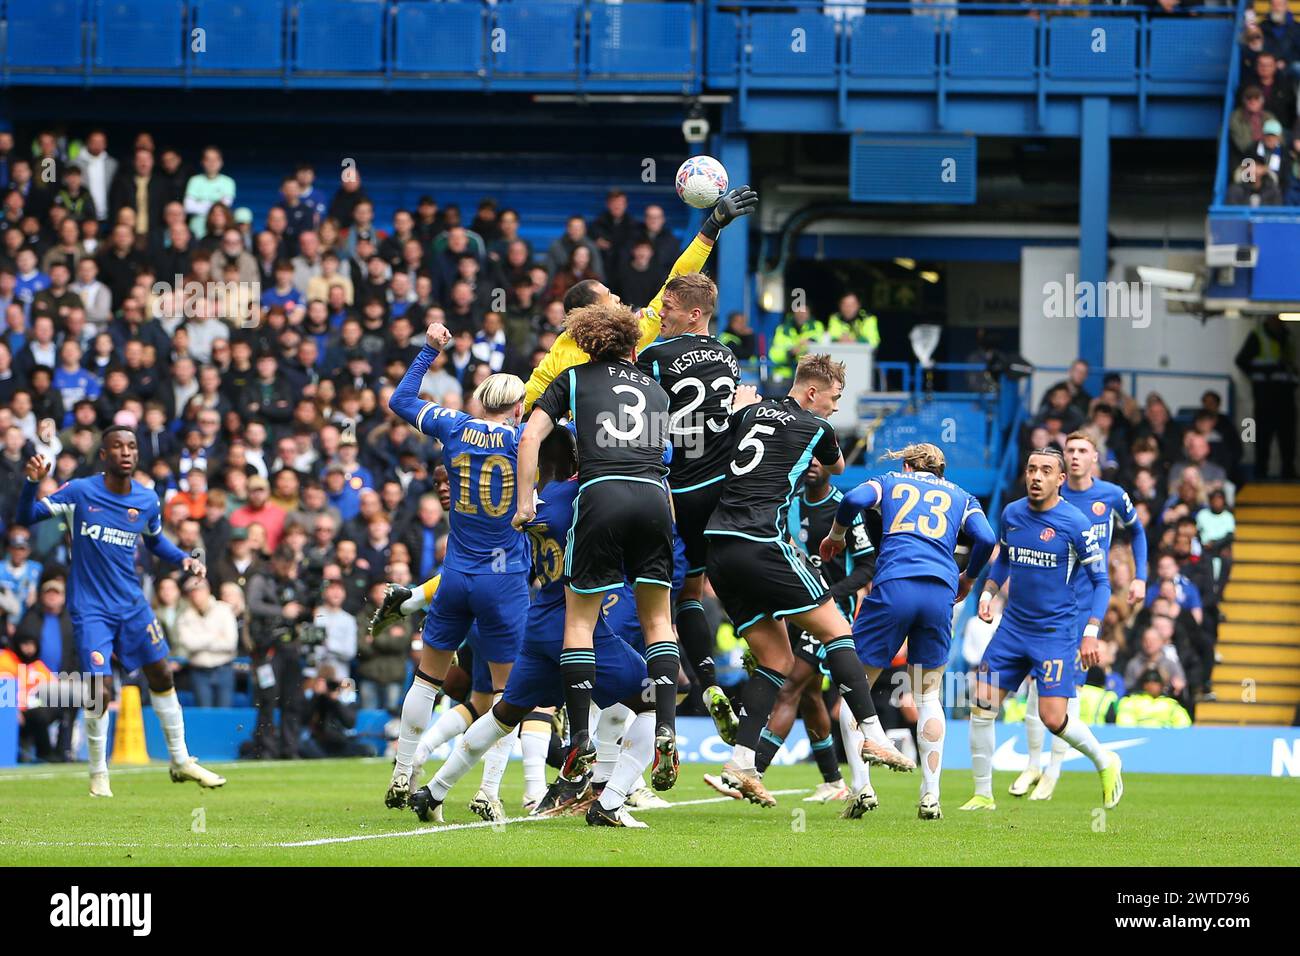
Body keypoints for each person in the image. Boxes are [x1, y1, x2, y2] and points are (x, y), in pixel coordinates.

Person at [410, 425, 661, 828]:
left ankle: (433, 791)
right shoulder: (582, 495)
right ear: (577, 458)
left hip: (538, 620)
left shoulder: (528, 503)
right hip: (577, 624)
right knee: (653, 699)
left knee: (503, 713)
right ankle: (609, 801)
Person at [702, 354, 908, 807]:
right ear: (812, 393)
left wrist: (743, 408)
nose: (836, 407)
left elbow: (728, 438)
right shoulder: (818, 428)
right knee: (838, 630)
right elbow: (834, 469)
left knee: (776, 659)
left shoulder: (750, 412)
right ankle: (872, 733)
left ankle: (741, 762)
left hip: (718, 547)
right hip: (761, 541)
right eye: (834, 397)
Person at [517, 301, 680, 789]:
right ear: (634, 345)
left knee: (579, 620)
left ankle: (582, 738)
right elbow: (660, 458)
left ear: (587, 343)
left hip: (600, 494)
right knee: (658, 620)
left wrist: (526, 503)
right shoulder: (655, 389)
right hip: (654, 497)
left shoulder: (571, 379)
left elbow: (530, 437)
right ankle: (667, 728)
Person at [15, 427, 224, 795]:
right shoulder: (81, 492)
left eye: (132, 445)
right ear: (104, 455)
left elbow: (156, 542)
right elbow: (27, 516)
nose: (126, 452)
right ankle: (98, 773)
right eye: (118, 446)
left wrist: (185, 560)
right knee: (100, 687)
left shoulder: (147, 499)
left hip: (132, 605)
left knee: (161, 672)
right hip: (91, 608)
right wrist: (32, 483)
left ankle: (180, 760)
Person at [383, 321, 530, 811]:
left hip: (456, 575)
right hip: (505, 580)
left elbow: (400, 401)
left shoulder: (452, 425)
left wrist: (428, 351)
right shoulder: (526, 437)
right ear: (517, 407)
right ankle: (488, 792)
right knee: (508, 697)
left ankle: (403, 773)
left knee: (427, 680)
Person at [820, 442, 995, 819]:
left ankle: (861, 788)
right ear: (940, 471)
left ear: (907, 465)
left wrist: (836, 536)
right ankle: (931, 796)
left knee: (855, 688)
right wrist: (969, 578)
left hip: (895, 585)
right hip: (939, 592)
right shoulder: (962, 496)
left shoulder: (891, 481)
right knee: (928, 695)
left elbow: (852, 499)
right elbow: (986, 538)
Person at [965, 447, 1122, 812]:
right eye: (1031, 468)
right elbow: (1003, 560)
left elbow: (1101, 583)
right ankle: (983, 794)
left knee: (1054, 719)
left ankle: (1105, 760)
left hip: (1055, 632)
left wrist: (1091, 631)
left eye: (1046, 471)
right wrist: (988, 593)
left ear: (1060, 479)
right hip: (1013, 628)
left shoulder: (1076, 523)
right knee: (982, 706)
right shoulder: (1012, 513)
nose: (1036, 476)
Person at [521, 185, 757, 413]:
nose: (617, 297)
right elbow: (525, 399)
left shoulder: (631, 332)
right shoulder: (563, 352)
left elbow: (677, 278)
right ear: (592, 312)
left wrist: (712, 226)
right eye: (608, 296)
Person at [634, 272, 744, 743]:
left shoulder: (656, 356)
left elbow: (636, 407)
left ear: (694, 314)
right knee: (710, 587)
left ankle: (693, 685)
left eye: (670, 310)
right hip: (723, 488)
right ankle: (718, 683)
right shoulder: (729, 355)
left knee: (674, 598)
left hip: (675, 492)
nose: (661, 317)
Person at [1010, 430, 1148, 801]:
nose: (1073, 456)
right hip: (1049, 606)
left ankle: (1052, 772)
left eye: (1081, 450)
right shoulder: (1052, 495)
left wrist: (1140, 577)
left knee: (1064, 694)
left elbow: (1137, 533)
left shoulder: (1112, 496)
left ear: (1095, 457)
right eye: (1069, 450)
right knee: (1036, 688)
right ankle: (1033, 765)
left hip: (1087, 608)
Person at [757, 456, 877, 803]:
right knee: (810, 696)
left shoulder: (845, 508)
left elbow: (867, 565)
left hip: (832, 612)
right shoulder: (790, 506)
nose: (811, 465)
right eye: (806, 459)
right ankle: (833, 781)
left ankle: (750, 770)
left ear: (833, 466)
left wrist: (830, 595)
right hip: (796, 609)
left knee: (789, 686)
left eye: (819, 460)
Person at [1235, 315, 1297, 479]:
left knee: (1288, 439)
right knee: (1262, 437)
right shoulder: (1257, 335)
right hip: (1265, 396)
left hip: (1285, 396)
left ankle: (1288, 473)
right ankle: (1260, 473)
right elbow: (1241, 360)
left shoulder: (1287, 336)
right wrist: (1259, 376)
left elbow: (1290, 364)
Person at [174, 575, 239, 708]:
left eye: (199, 590)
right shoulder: (185, 616)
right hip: (199, 671)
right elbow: (188, 644)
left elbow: (230, 643)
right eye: (192, 591)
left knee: (224, 714)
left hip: (224, 669)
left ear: (208, 590)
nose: (195, 594)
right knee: (204, 714)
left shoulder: (224, 609)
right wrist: (214, 636)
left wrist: (200, 639)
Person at [1115, 669, 1192, 728]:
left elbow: (1184, 724)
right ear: (1143, 684)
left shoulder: (1171, 704)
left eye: (1156, 681)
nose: (1152, 684)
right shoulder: (1131, 702)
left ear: (1161, 685)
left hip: (1166, 740)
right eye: (1148, 681)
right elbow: (1125, 725)